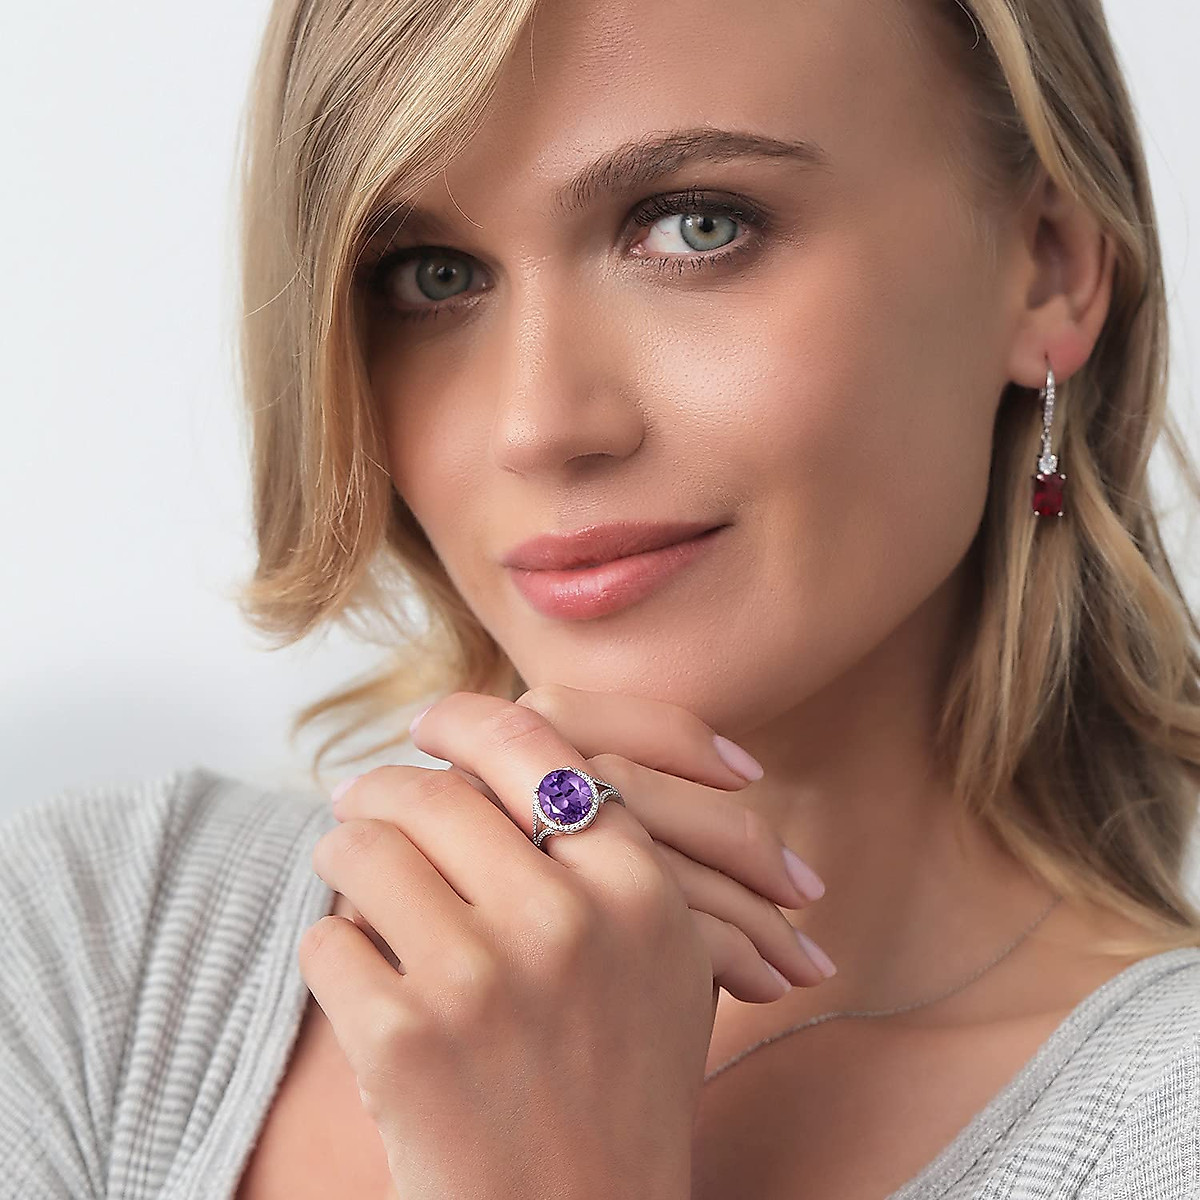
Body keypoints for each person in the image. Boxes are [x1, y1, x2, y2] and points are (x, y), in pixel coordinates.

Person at [2, 0, 1199, 1196]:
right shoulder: (103, 952)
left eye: (697, 225)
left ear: (1050, 268)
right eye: (432, 276)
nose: (537, 424)